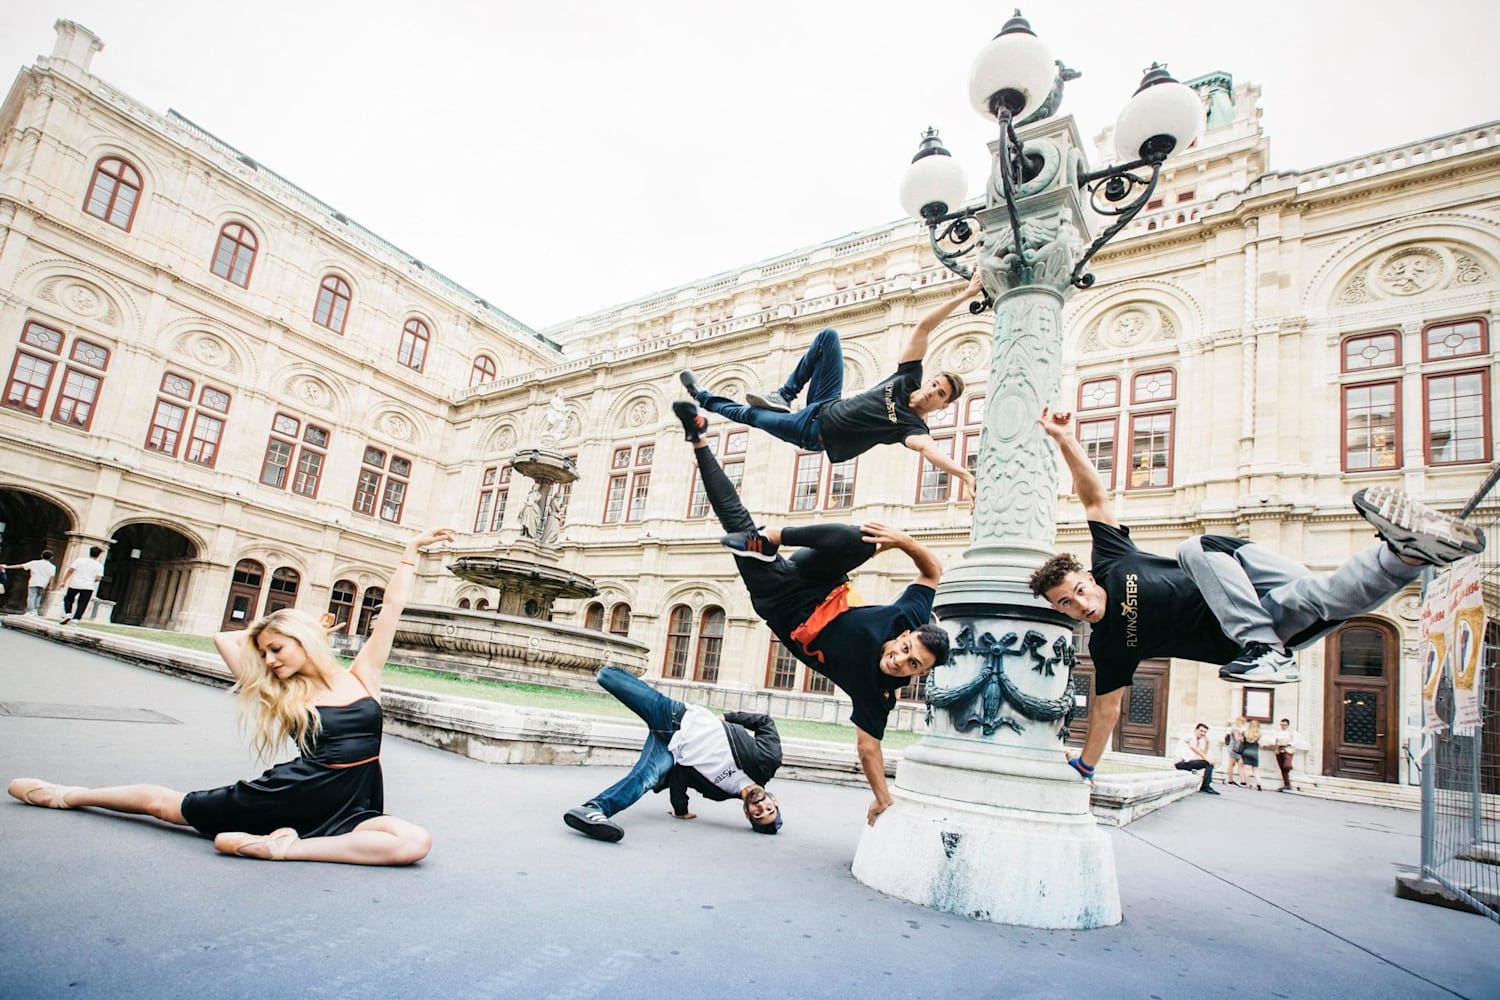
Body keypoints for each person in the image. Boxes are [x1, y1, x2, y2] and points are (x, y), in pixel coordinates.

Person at [1030, 406, 1486, 783]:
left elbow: (1094, 501)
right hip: (1269, 617)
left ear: (1088, 576)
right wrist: (1085, 766)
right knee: (1328, 598)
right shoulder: (1110, 646)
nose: (1082, 605)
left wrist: (1065, 439)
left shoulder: (1112, 560)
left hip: (1246, 572)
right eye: (1066, 605)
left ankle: (1264, 646)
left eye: (1078, 591)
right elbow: (1106, 709)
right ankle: (1406, 555)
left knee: (1196, 547)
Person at [7, 527, 453, 865]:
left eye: (277, 649)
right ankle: (67, 794)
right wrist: (283, 631)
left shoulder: (363, 676)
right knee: (164, 806)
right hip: (288, 794)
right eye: (266, 653)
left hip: (352, 803)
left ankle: (283, 848)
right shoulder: (280, 692)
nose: (271, 660)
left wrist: (410, 553)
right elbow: (226, 639)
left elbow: (390, 610)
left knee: (415, 842)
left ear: (302, 641)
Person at [671, 399, 950, 826]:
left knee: (736, 523)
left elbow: (869, 749)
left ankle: (699, 439)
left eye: (912, 665)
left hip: (783, 606)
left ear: (919, 674)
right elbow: (933, 572)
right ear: (905, 635)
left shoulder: (878, 695)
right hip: (818, 579)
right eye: (905, 649)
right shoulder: (908, 617)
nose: (899, 660)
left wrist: (881, 797)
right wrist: (903, 540)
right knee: (863, 538)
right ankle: (775, 536)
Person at [678, 272, 982, 495]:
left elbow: (930, 451)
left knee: (750, 415)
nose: (931, 392)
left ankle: (701, 397)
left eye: (940, 394)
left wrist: (965, 475)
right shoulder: (907, 378)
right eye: (934, 385)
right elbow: (924, 327)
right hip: (825, 402)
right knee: (828, 337)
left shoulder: (912, 428)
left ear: (943, 405)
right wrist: (966, 294)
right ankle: (785, 394)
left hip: (812, 431)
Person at [562, 666, 782, 842]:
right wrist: (726, 717)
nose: (761, 807)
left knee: (645, 779)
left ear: (747, 813)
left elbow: (681, 778)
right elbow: (765, 723)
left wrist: (680, 809)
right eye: (768, 809)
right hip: (675, 716)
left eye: (758, 814)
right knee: (607, 676)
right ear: (774, 800)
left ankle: (593, 810)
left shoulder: (719, 793)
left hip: (669, 749)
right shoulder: (766, 761)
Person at [57, 545, 107, 625]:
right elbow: (99, 578)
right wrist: (92, 579)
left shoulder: (79, 560)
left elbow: (70, 570)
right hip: (88, 585)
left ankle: (68, 613)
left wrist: (64, 581)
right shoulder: (99, 565)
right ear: (99, 555)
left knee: (68, 599)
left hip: (75, 583)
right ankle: (76, 619)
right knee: (83, 603)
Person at [1, 549, 57, 615]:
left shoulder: (34, 563)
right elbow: (52, 577)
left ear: (41, 555)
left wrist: (6, 567)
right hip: (43, 583)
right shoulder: (52, 567)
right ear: (51, 557)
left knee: (31, 596)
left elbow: (20, 566)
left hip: (34, 581)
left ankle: (31, 611)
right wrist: (51, 586)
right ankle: (35, 610)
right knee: (38, 596)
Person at [1173, 723, 1221, 795]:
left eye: (1205, 732)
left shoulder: (1197, 741)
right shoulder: (1191, 736)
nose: (1202, 733)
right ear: (1196, 730)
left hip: (1187, 766)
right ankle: (1206, 787)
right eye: (1201, 731)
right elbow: (1193, 747)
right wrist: (1207, 759)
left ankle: (1205, 785)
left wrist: (1207, 743)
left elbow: (1203, 754)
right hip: (1180, 763)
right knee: (1208, 763)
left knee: (1201, 770)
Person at [1272, 718, 1299, 792]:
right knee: (1282, 768)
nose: (1283, 726)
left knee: (1286, 765)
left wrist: (1288, 743)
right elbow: (1273, 740)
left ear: (1288, 725)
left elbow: (1295, 742)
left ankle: (1288, 780)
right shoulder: (1278, 732)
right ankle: (1287, 784)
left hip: (1287, 750)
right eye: (1282, 725)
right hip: (1279, 750)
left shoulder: (1291, 732)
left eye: (1285, 725)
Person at [1225, 715, 1248, 787]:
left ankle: (1242, 781)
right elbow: (1237, 738)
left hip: (1237, 749)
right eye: (1243, 722)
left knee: (1239, 764)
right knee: (1232, 764)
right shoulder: (1235, 729)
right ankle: (1230, 780)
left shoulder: (1238, 729)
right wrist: (1243, 738)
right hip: (1234, 749)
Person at [1241, 719, 1264, 790]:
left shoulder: (1245, 733)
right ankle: (1259, 783)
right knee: (1255, 770)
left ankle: (1248, 784)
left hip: (1246, 752)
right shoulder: (1259, 734)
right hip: (1254, 753)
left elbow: (1241, 742)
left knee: (1246, 769)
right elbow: (1261, 744)